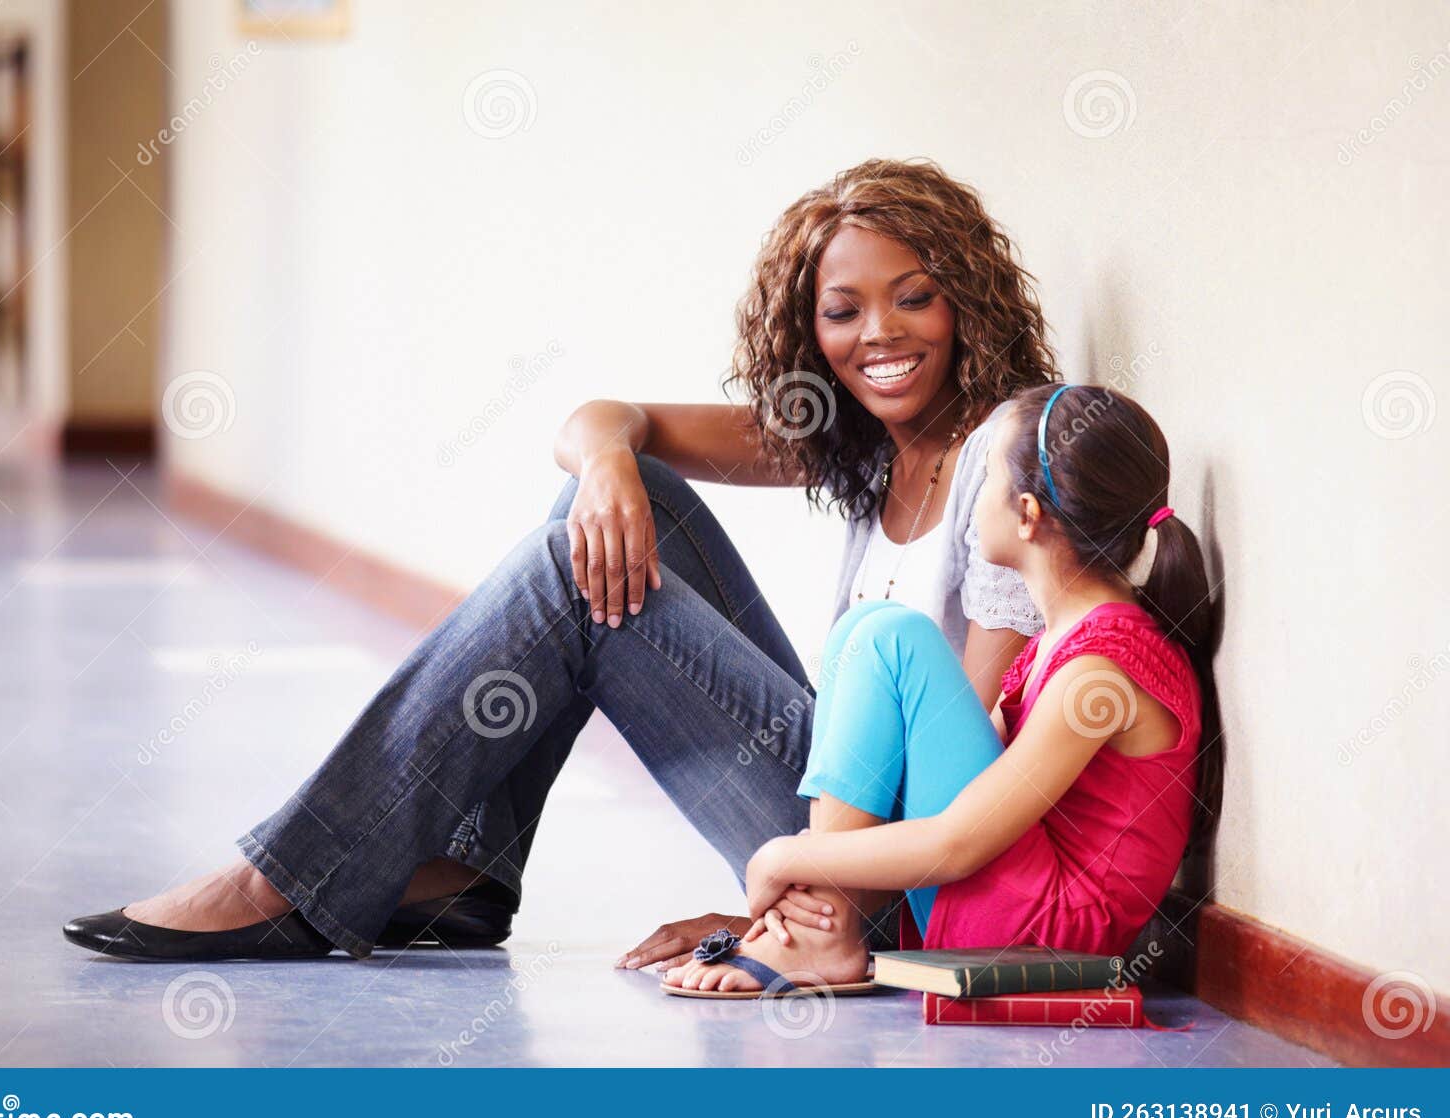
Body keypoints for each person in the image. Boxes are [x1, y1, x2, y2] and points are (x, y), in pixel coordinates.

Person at [61, 158, 1059, 964]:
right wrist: (608, 467)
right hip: (841, 813)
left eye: (914, 299)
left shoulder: (1001, 457)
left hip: (900, 883)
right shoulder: (865, 435)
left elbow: (963, 779)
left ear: (966, 301)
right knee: (614, 508)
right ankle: (461, 868)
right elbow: (599, 419)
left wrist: (774, 907)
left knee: (566, 576)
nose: (878, 334)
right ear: (810, 331)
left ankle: (299, 878)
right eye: (843, 311)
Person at [664, 384, 1223, 996]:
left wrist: (785, 858)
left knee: (893, 637)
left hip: (1043, 935)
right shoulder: (1056, 646)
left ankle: (819, 935)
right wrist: (814, 864)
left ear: (1028, 515)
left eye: (982, 478)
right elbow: (948, 805)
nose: (971, 496)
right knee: (866, 627)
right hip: (1017, 902)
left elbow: (957, 842)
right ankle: (820, 926)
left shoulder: (1099, 672)